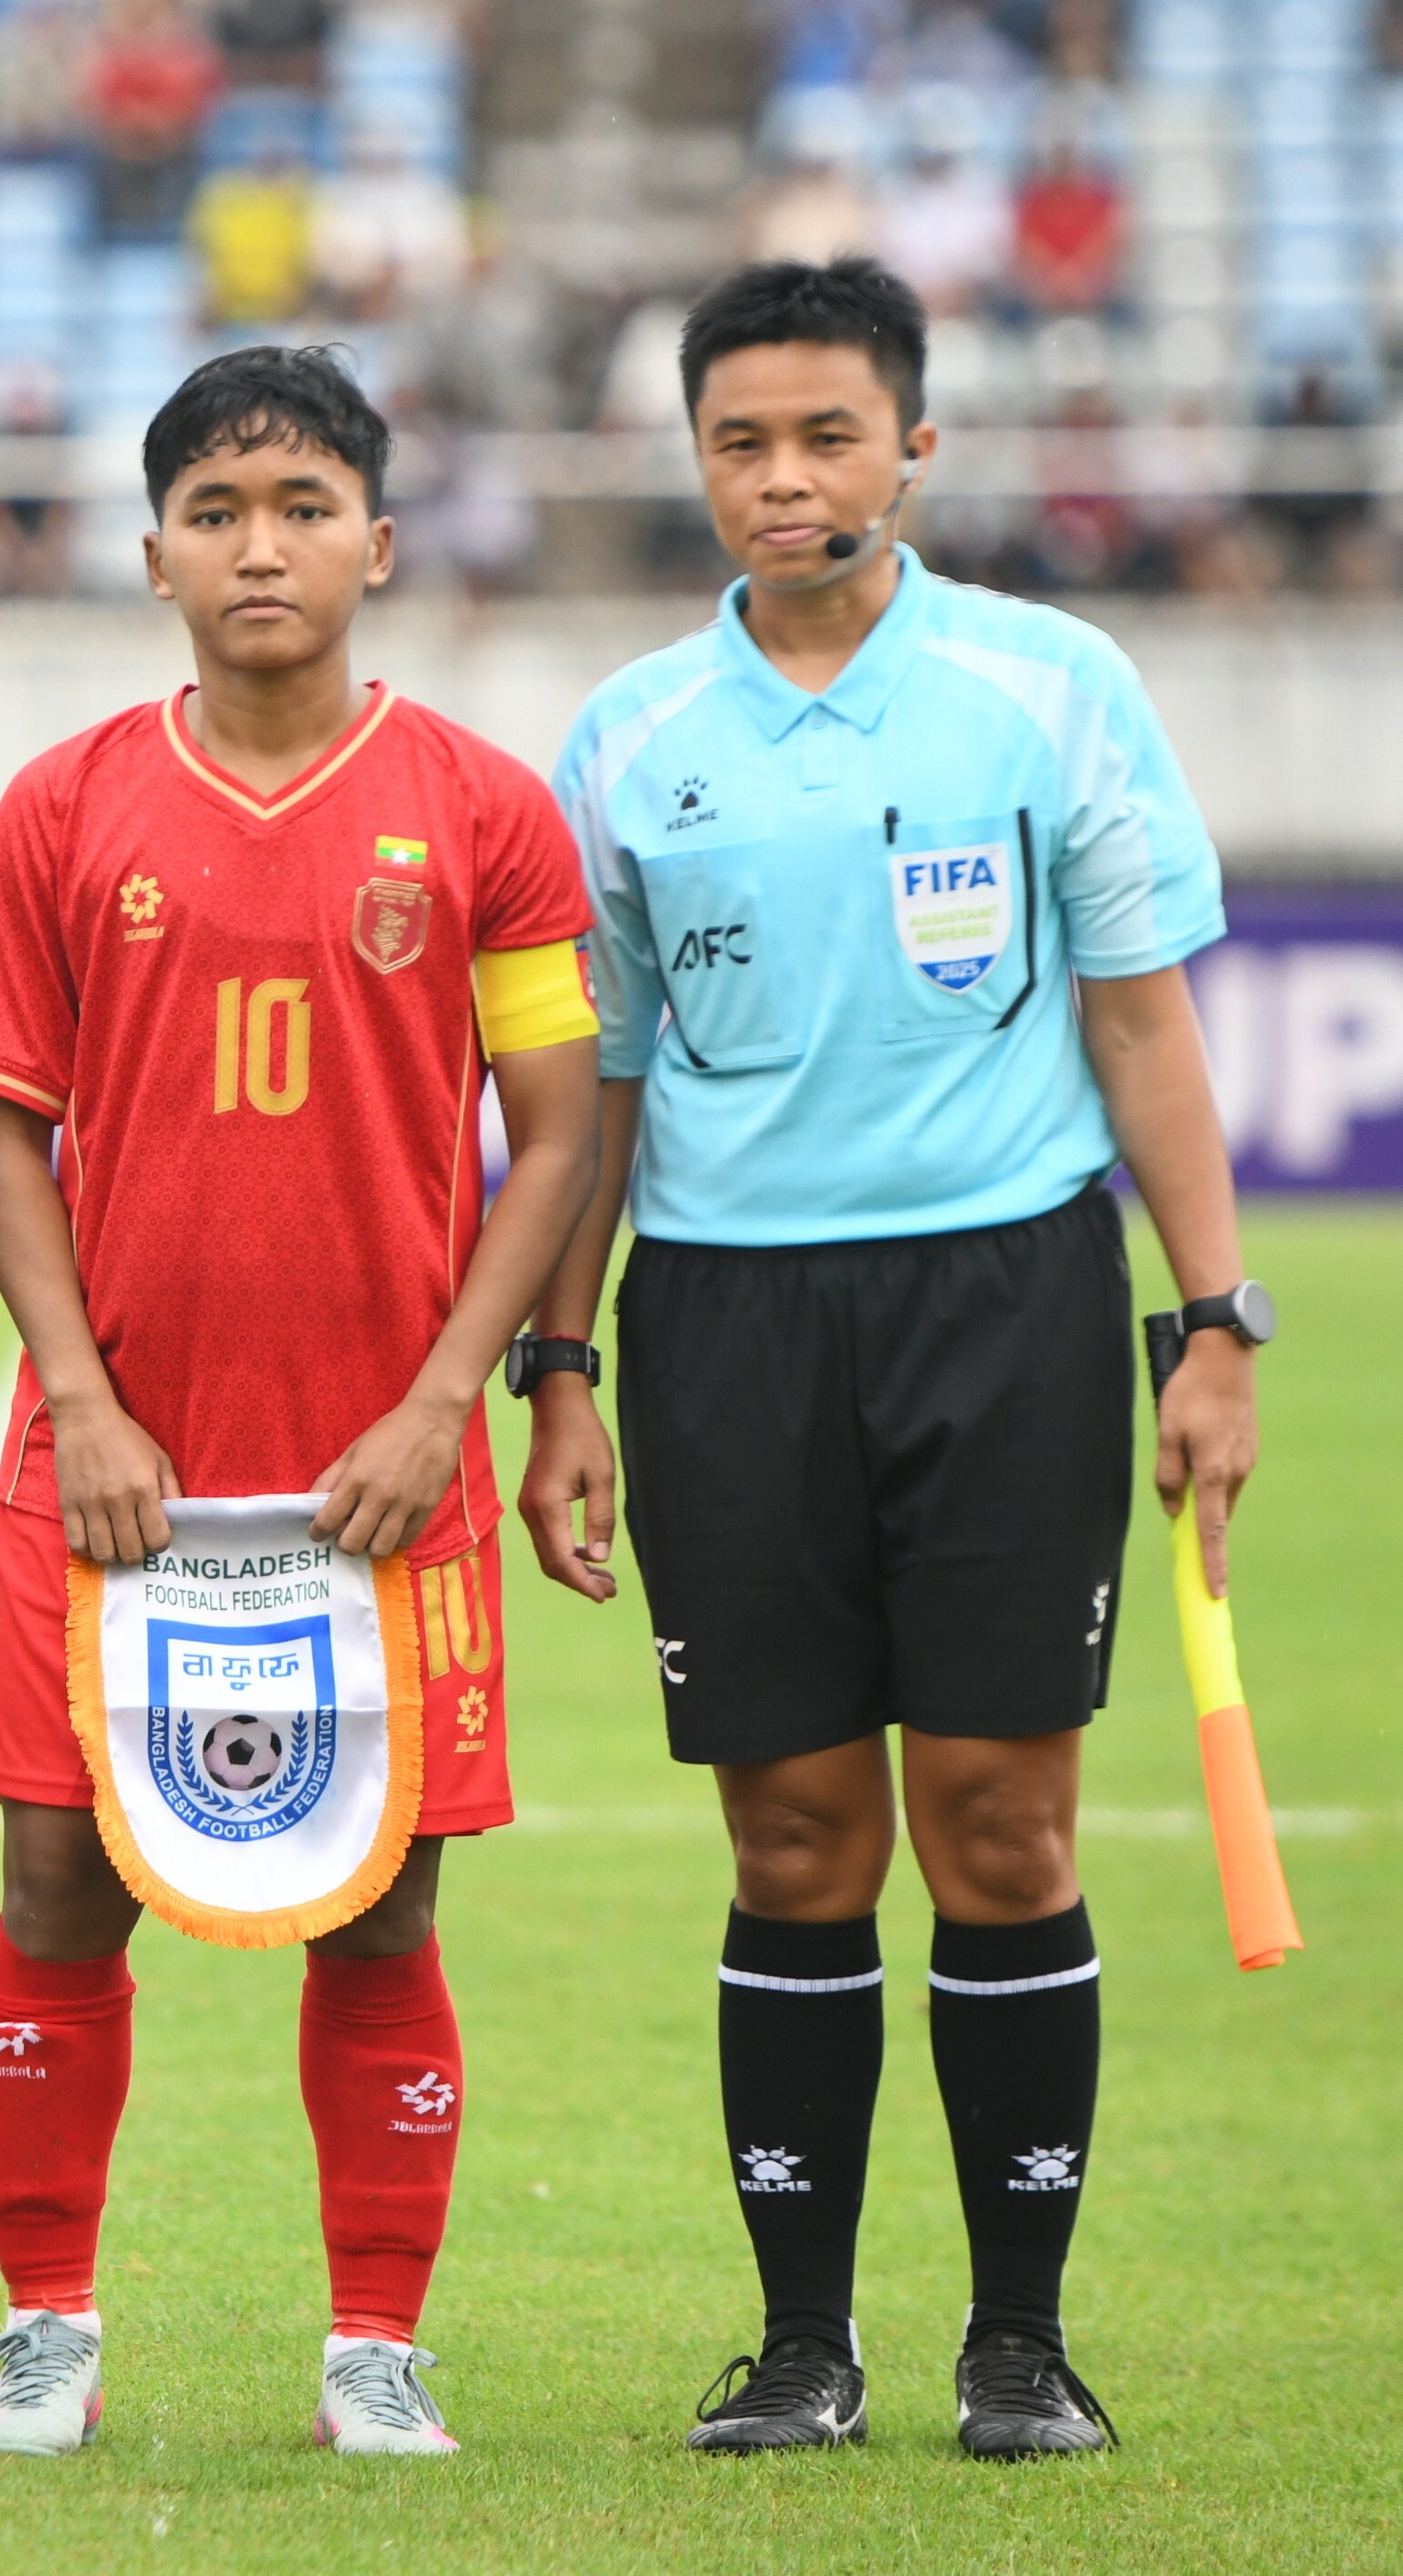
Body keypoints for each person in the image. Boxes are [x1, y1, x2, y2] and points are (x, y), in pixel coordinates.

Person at [534, 256, 1257, 2463]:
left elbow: (1139, 1023)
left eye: (823, 433)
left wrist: (1208, 1320)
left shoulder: (1047, 686)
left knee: (1002, 1826)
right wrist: (557, 1370)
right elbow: (599, 1096)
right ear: (693, 459)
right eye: (738, 440)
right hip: (727, 1324)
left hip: (1006, 1307)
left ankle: (1015, 2341)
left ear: (911, 445)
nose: (781, 476)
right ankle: (798, 2343)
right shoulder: (626, 740)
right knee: (789, 1835)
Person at [0, 347, 603, 2461]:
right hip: (112, 1467)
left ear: (378, 543)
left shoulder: (481, 808)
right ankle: (43, 2321)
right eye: (213, 509)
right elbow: (3, 1134)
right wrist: (77, 1395)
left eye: (300, 502)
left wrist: (444, 1399)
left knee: (382, 1898)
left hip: (383, 1473)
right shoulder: (62, 801)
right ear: (149, 556)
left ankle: (372, 2337)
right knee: (53, 1880)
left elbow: (557, 1133)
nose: (258, 543)